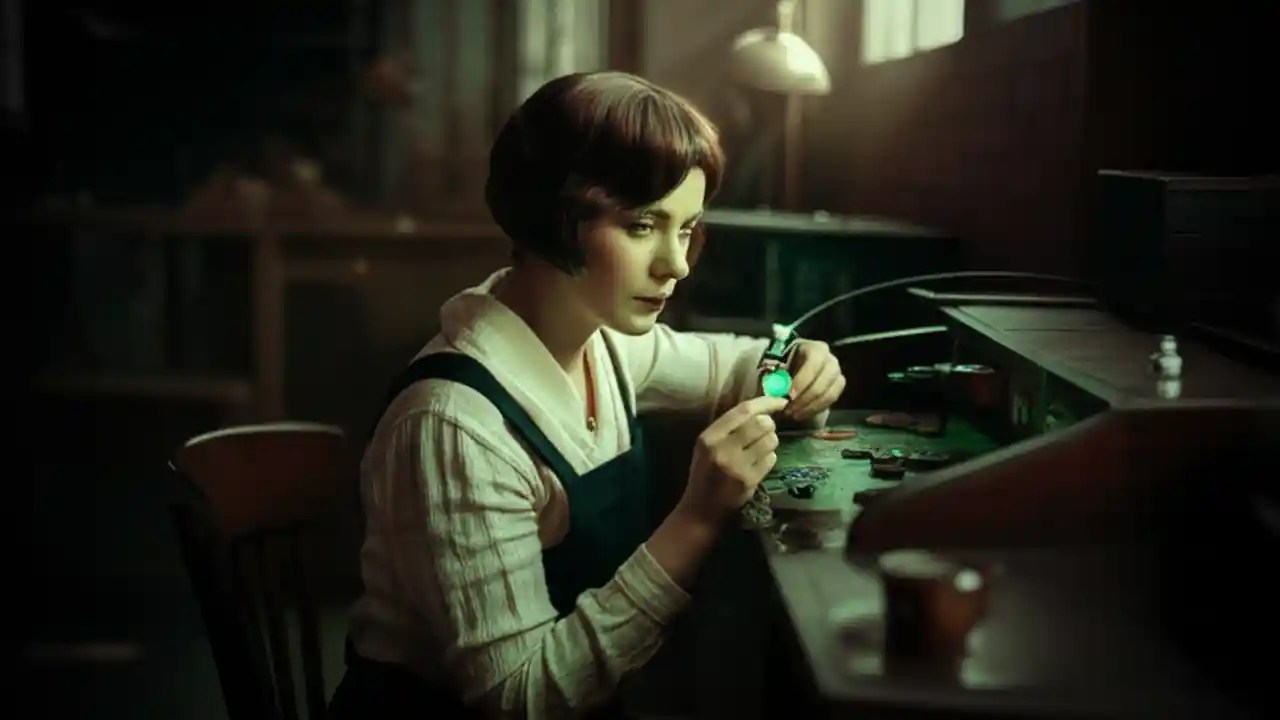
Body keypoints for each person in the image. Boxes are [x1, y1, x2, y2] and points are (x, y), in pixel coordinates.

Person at [328, 70, 846, 720]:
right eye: (641, 227)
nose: (676, 264)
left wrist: (798, 366)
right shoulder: (455, 426)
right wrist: (698, 517)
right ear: (554, 217)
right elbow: (520, 697)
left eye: (686, 229)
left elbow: (745, 367)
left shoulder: (605, 344)